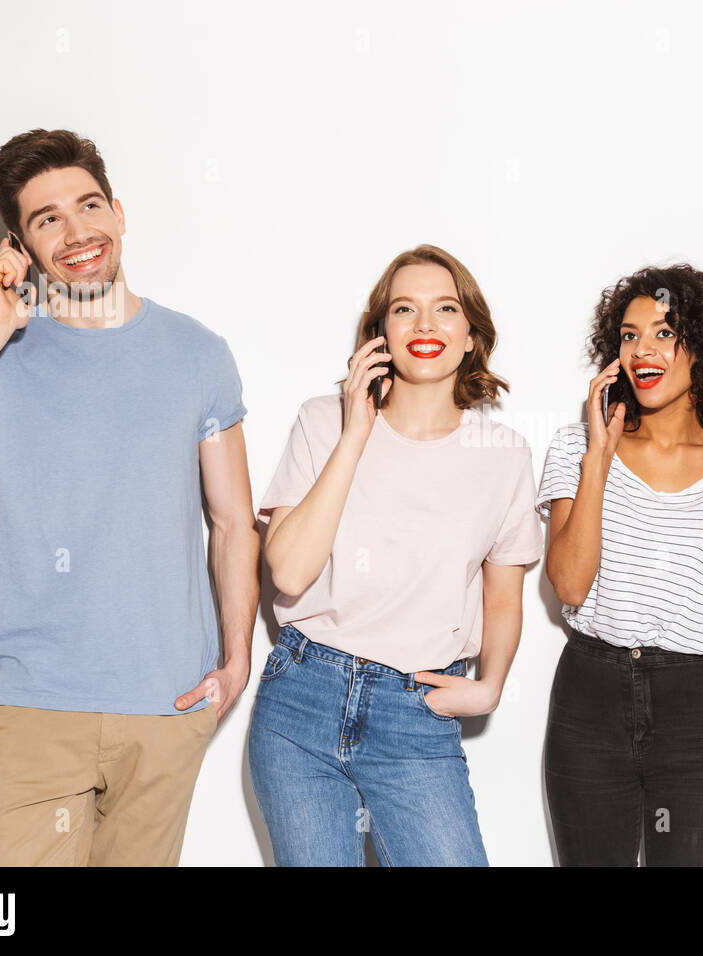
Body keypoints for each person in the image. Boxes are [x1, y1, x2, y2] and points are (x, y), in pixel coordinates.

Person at [0, 129, 258, 866]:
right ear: (19, 244)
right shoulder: (2, 358)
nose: (77, 233)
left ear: (118, 210)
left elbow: (233, 520)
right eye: (47, 219)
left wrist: (236, 657)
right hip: (35, 710)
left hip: (166, 710)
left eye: (88, 206)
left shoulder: (198, 354)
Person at [249, 244, 542, 866]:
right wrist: (357, 430)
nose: (425, 325)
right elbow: (292, 571)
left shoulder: (504, 454)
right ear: (380, 333)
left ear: (471, 336)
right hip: (302, 698)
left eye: (445, 309)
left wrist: (490, 687)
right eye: (404, 309)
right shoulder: (322, 421)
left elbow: (503, 592)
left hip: (416, 711)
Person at [536, 263, 703, 866]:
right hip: (590, 696)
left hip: (697, 703)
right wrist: (598, 460)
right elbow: (570, 586)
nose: (643, 350)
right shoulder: (577, 446)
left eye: (664, 332)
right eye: (629, 336)